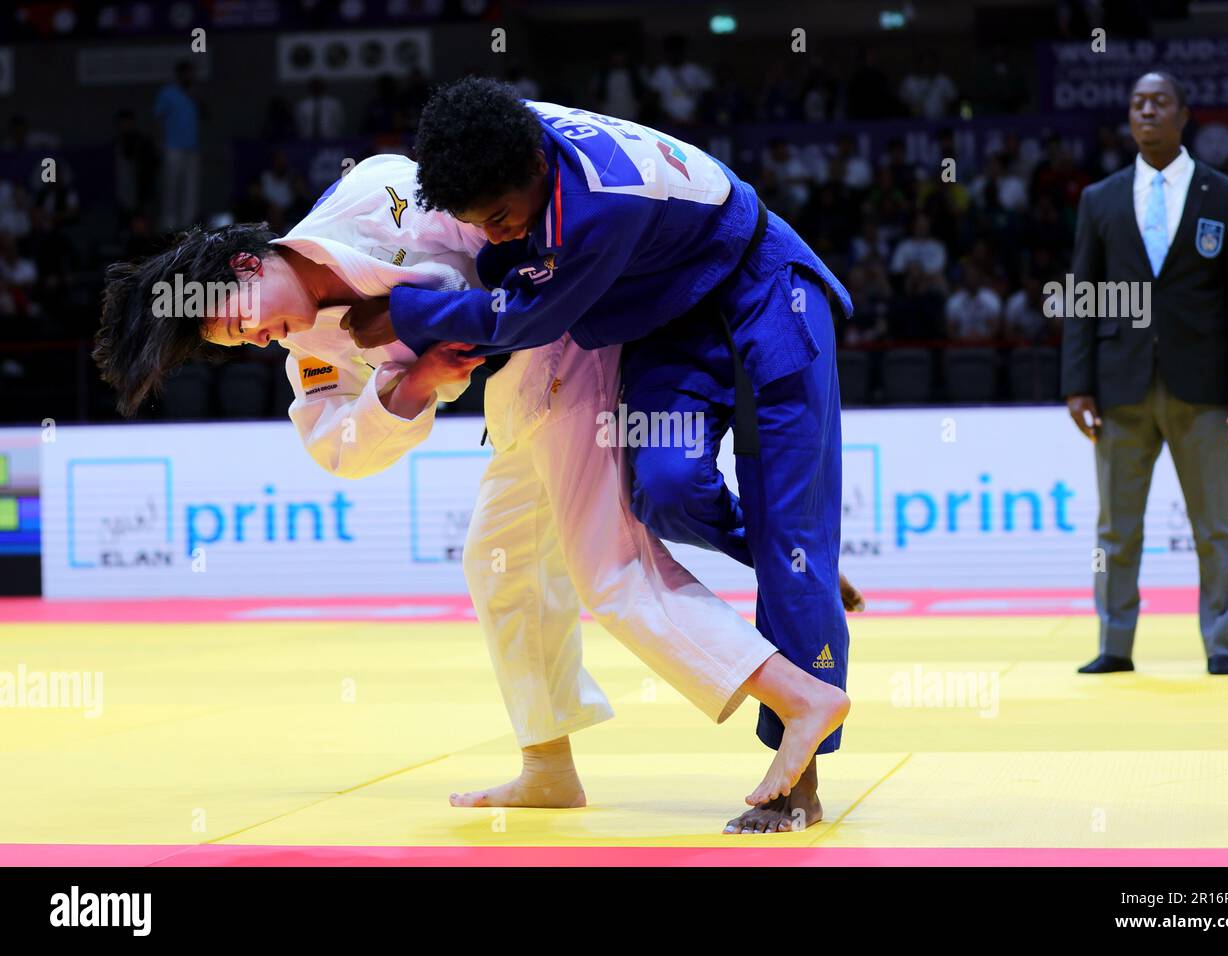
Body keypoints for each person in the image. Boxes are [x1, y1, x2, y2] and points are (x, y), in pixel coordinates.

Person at [93, 154, 855, 833]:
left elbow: (505, 234)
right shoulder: (309, 345)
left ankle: (799, 696)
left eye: (239, 325)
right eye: (239, 347)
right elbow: (337, 447)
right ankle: (548, 766)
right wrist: (413, 385)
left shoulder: (373, 191)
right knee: (499, 561)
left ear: (247, 268)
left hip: (565, 339)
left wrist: (459, 320)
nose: (258, 341)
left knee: (610, 567)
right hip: (517, 392)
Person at [343, 79, 854, 832]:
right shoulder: (508, 139)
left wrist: (408, 311)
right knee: (666, 486)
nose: (497, 235)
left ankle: (798, 780)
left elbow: (525, 316)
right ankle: (777, 553)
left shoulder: (596, 203)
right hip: (669, 320)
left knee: (791, 526)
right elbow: (501, 267)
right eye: (480, 222)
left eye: (502, 217)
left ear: (533, 168)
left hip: (766, 290)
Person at [1062, 72, 1228, 676]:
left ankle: (1221, 645)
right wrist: (1076, 383)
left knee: (1217, 527)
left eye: (1159, 103)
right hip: (1119, 384)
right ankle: (1115, 645)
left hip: (1203, 388)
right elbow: (1083, 295)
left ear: (1183, 114)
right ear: (1129, 117)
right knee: (1116, 531)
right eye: (1137, 104)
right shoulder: (1099, 198)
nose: (1146, 111)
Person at [154, 61, 201, 231]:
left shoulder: (193, 94)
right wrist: (160, 142)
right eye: (188, 73)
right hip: (172, 147)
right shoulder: (167, 93)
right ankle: (169, 226)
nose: (191, 76)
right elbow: (158, 117)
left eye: (192, 73)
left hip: (192, 148)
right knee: (171, 188)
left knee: (190, 189)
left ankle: (188, 225)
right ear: (180, 74)